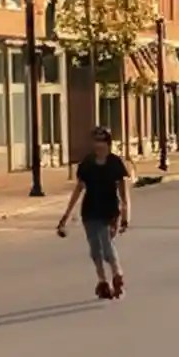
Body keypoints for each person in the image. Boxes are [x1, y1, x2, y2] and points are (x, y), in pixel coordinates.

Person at [57, 126, 132, 299]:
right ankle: (103, 280)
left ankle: (117, 274)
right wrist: (66, 215)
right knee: (95, 249)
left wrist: (126, 216)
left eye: (102, 142)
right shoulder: (87, 164)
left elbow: (123, 193)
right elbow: (79, 189)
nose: (99, 146)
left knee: (107, 245)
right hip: (90, 211)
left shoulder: (115, 163)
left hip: (110, 211)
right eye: (96, 142)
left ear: (109, 143)